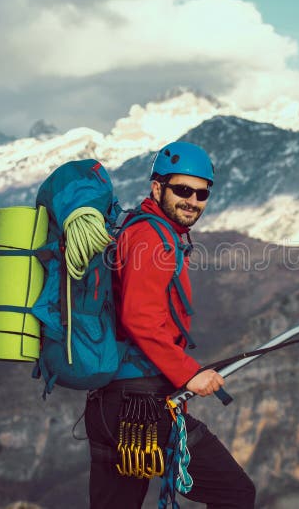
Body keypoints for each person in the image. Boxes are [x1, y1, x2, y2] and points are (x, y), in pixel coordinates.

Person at [85, 142, 256, 508]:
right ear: (157, 188)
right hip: (140, 407)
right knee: (235, 493)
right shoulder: (152, 238)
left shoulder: (142, 229)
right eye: (182, 190)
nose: (192, 200)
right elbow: (139, 317)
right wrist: (189, 374)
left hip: (111, 406)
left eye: (201, 193)